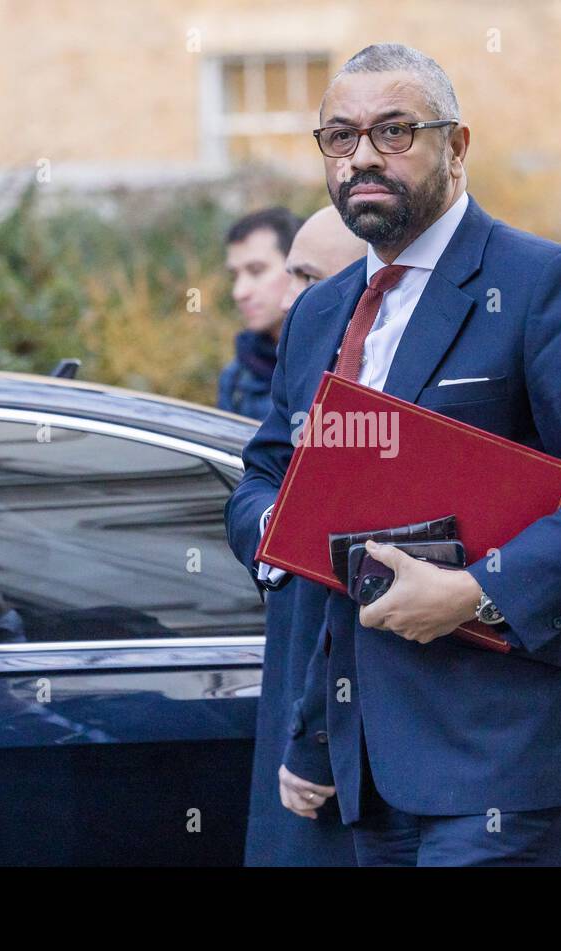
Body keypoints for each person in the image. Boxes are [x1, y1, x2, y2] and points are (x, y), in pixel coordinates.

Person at [225, 43, 561, 866]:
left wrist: (475, 592)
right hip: (366, 758)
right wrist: (279, 530)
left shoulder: (549, 285)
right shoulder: (319, 313)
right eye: (339, 136)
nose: (362, 155)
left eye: (395, 132)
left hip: (513, 746)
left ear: (457, 146)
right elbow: (264, 477)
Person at [242, 206, 365, 866]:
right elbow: (258, 472)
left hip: (348, 741)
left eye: (306, 278)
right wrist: (277, 525)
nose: (287, 297)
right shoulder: (303, 357)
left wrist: (316, 739)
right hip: (299, 704)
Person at [217, 207, 301, 420]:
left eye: (256, 271)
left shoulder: (347, 361)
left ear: (299, 268)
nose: (239, 292)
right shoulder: (237, 378)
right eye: (234, 276)